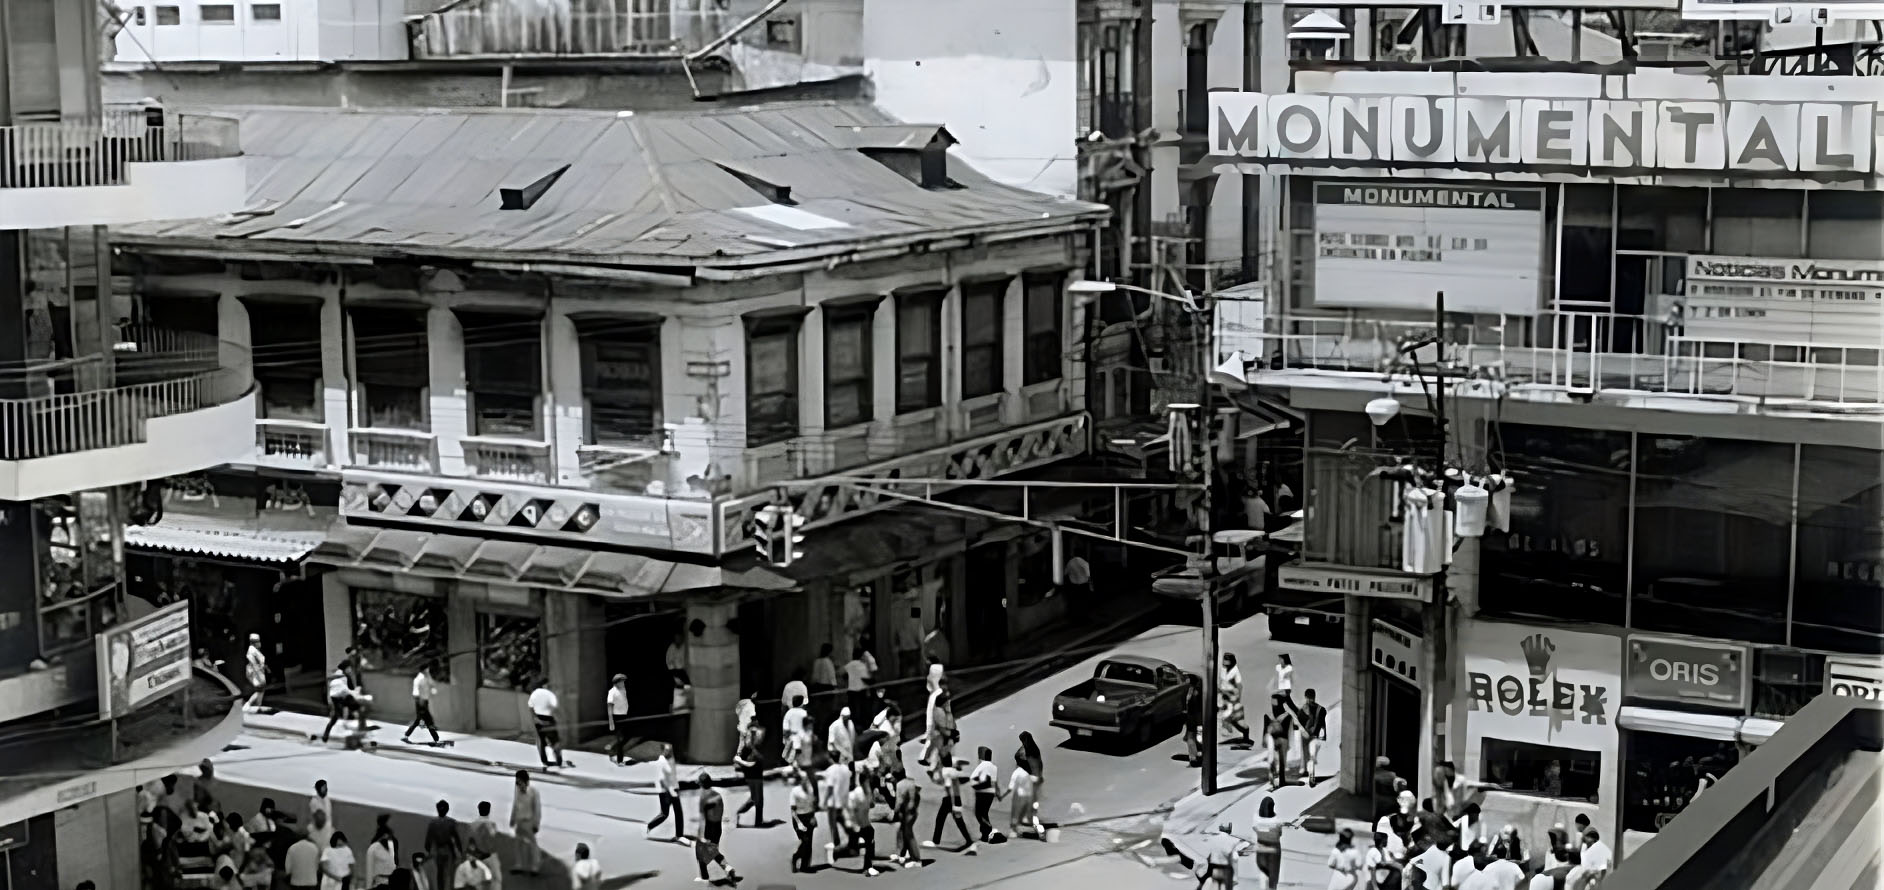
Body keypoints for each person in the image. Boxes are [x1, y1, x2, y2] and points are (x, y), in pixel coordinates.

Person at [693, 770, 741, 884]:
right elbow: (721, 812)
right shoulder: (718, 795)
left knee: (701, 852)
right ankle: (727, 868)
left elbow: (702, 818)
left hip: (708, 828)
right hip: (717, 827)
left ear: (701, 784)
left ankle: (704, 878)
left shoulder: (704, 797)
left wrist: (700, 835)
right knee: (713, 850)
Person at [928, 758, 976, 852]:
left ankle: (969, 841)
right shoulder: (953, 772)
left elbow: (948, 786)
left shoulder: (946, 772)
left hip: (950, 799)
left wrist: (953, 803)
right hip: (953, 799)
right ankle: (969, 841)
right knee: (948, 820)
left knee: (943, 820)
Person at [844, 772, 881, 877]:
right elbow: (849, 809)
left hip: (865, 824)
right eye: (869, 781)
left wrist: (871, 802)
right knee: (852, 847)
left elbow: (870, 804)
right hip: (855, 824)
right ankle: (839, 851)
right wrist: (853, 824)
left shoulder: (868, 792)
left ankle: (868, 867)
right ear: (864, 782)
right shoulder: (855, 794)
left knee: (869, 838)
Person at [646, 744, 685, 841]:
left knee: (678, 812)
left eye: (670, 749)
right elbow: (663, 779)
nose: (670, 751)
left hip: (674, 788)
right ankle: (649, 826)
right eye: (667, 750)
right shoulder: (662, 761)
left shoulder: (671, 757)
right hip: (666, 791)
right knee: (664, 814)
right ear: (663, 751)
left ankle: (679, 835)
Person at [819, 753, 854, 860]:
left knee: (833, 825)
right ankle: (853, 839)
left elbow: (830, 788)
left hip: (832, 802)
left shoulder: (830, 770)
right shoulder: (846, 769)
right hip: (843, 800)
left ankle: (836, 844)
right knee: (843, 821)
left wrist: (823, 802)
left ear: (830, 758)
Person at [423, 800, 463, 890]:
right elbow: (457, 839)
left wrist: (428, 850)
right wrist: (460, 851)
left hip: (438, 850)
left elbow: (428, 840)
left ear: (437, 809)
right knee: (448, 874)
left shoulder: (433, 823)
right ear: (447, 810)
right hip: (448, 851)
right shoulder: (451, 822)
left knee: (440, 874)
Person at [734, 726, 768, 826]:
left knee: (757, 799)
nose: (754, 736)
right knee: (756, 799)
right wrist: (742, 761)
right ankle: (740, 813)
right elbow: (749, 762)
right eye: (752, 734)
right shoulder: (747, 748)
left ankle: (758, 821)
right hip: (752, 776)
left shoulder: (755, 747)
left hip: (757, 774)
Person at [527, 678, 564, 769]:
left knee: (541, 741)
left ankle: (544, 761)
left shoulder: (535, 693)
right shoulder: (550, 694)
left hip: (538, 719)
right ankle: (558, 758)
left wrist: (535, 718)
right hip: (548, 719)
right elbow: (555, 707)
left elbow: (530, 707)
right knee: (554, 739)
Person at [969, 747, 1004, 843]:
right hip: (991, 793)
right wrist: (998, 793)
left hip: (982, 793)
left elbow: (972, 777)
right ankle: (985, 835)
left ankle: (989, 831)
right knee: (984, 813)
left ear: (981, 756)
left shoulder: (982, 765)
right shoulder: (994, 767)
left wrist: (976, 783)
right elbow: (995, 782)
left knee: (979, 814)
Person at [510, 770, 542, 876]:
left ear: (526, 781)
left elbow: (537, 809)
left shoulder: (533, 792)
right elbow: (515, 805)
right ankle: (519, 865)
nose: (518, 785)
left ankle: (535, 867)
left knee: (532, 845)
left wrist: (536, 824)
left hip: (529, 822)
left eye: (519, 782)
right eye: (516, 782)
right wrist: (512, 819)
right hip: (519, 821)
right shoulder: (517, 791)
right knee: (518, 844)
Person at [921, 687, 957, 778]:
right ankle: (934, 768)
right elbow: (943, 729)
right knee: (939, 751)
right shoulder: (939, 713)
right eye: (947, 702)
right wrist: (951, 734)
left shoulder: (942, 711)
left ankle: (933, 768)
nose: (948, 704)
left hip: (941, 737)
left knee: (938, 751)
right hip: (940, 736)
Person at [321, 663, 361, 743]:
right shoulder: (339, 677)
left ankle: (356, 736)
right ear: (344, 669)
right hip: (337, 699)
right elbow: (343, 690)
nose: (350, 670)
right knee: (335, 717)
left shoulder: (347, 677)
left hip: (346, 697)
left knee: (356, 712)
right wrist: (355, 692)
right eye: (348, 668)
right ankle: (326, 734)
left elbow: (350, 688)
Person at [788, 770, 818, 873]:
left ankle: (805, 866)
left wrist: (813, 817)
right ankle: (795, 857)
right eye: (805, 779)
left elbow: (813, 805)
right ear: (800, 780)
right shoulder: (795, 791)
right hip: (799, 818)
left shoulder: (810, 789)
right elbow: (793, 810)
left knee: (809, 843)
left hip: (809, 816)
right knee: (805, 841)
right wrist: (799, 823)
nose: (807, 781)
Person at [891, 771, 923, 868]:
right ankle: (904, 854)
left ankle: (916, 860)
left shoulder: (900, 784)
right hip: (913, 811)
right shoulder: (911, 782)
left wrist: (895, 812)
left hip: (907, 812)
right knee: (903, 832)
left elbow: (899, 801)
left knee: (909, 835)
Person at [1253, 796, 1285, 888]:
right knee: (1273, 877)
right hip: (1274, 850)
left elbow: (1254, 828)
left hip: (1261, 848)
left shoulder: (1256, 818)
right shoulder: (1277, 820)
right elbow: (1280, 833)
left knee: (1263, 873)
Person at [405, 663, 441, 745]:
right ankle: (436, 739)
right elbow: (415, 691)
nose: (428, 670)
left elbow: (432, 685)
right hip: (420, 702)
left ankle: (406, 735)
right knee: (429, 720)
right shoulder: (419, 679)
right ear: (424, 670)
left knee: (418, 721)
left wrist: (433, 689)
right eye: (427, 669)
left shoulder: (427, 677)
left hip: (425, 701)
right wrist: (419, 700)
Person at [467, 802, 502, 890]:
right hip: (489, 855)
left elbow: (470, 841)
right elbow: (493, 840)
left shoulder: (472, 824)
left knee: (479, 880)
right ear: (489, 811)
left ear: (479, 810)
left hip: (477, 855)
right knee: (496, 878)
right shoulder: (491, 824)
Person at [1220, 654, 1252, 746]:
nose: (1224, 662)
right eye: (1224, 660)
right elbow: (1222, 683)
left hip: (1233, 699)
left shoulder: (1235, 672)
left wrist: (1236, 699)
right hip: (1225, 699)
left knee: (1237, 719)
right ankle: (1242, 735)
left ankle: (1246, 735)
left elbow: (1239, 687)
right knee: (1228, 718)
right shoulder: (1224, 670)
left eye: (1226, 660)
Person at [1266, 695, 1296, 789]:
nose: (1273, 705)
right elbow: (1290, 731)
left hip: (1273, 739)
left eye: (1274, 703)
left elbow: (1267, 729)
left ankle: (1273, 776)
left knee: (1274, 760)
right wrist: (1290, 744)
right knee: (1282, 763)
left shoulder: (1271, 715)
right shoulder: (1287, 715)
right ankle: (1281, 780)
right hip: (1284, 740)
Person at [1007, 757, 1041, 839]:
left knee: (1018, 814)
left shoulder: (1018, 773)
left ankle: (1015, 830)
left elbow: (1011, 787)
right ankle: (1016, 829)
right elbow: (1036, 780)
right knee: (1021, 813)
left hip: (1022, 796)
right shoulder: (1024, 773)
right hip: (1025, 796)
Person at [1299, 688, 1329, 783]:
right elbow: (1323, 725)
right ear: (1314, 697)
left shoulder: (1303, 709)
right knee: (1312, 755)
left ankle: (1306, 771)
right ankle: (1310, 772)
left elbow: (1299, 725)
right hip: (1316, 736)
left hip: (1306, 735)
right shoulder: (1321, 709)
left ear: (1306, 697)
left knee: (1306, 754)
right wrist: (1324, 736)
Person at [844, 646, 877, 720]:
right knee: (863, 709)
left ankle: (854, 723)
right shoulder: (862, 665)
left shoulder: (849, 665)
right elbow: (865, 678)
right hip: (861, 690)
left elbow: (844, 675)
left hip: (851, 690)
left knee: (852, 709)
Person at [366, 816, 399, 888]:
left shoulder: (392, 847)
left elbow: (394, 865)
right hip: (379, 884)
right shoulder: (373, 848)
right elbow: (369, 872)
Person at [605, 674, 631, 764]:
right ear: (616, 683)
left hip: (624, 716)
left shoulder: (623, 690)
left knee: (627, 736)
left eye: (624, 682)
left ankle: (612, 746)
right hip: (617, 718)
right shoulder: (612, 692)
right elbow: (609, 706)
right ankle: (620, 760)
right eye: (622, 682)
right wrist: (611, 721)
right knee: (620, 739)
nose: (623, 683)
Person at [245, 634, 269, 711]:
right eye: (258, 641)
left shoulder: (255, 650)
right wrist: (259, 675)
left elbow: (260, 662)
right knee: (260, 690)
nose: (259, 643)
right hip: (255, 673)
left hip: (258, 672)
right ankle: (248, 705)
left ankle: (258, 706)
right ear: (254, 642)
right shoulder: (252, 650)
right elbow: (254, 664)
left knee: (261, 690)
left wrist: (266, 668)